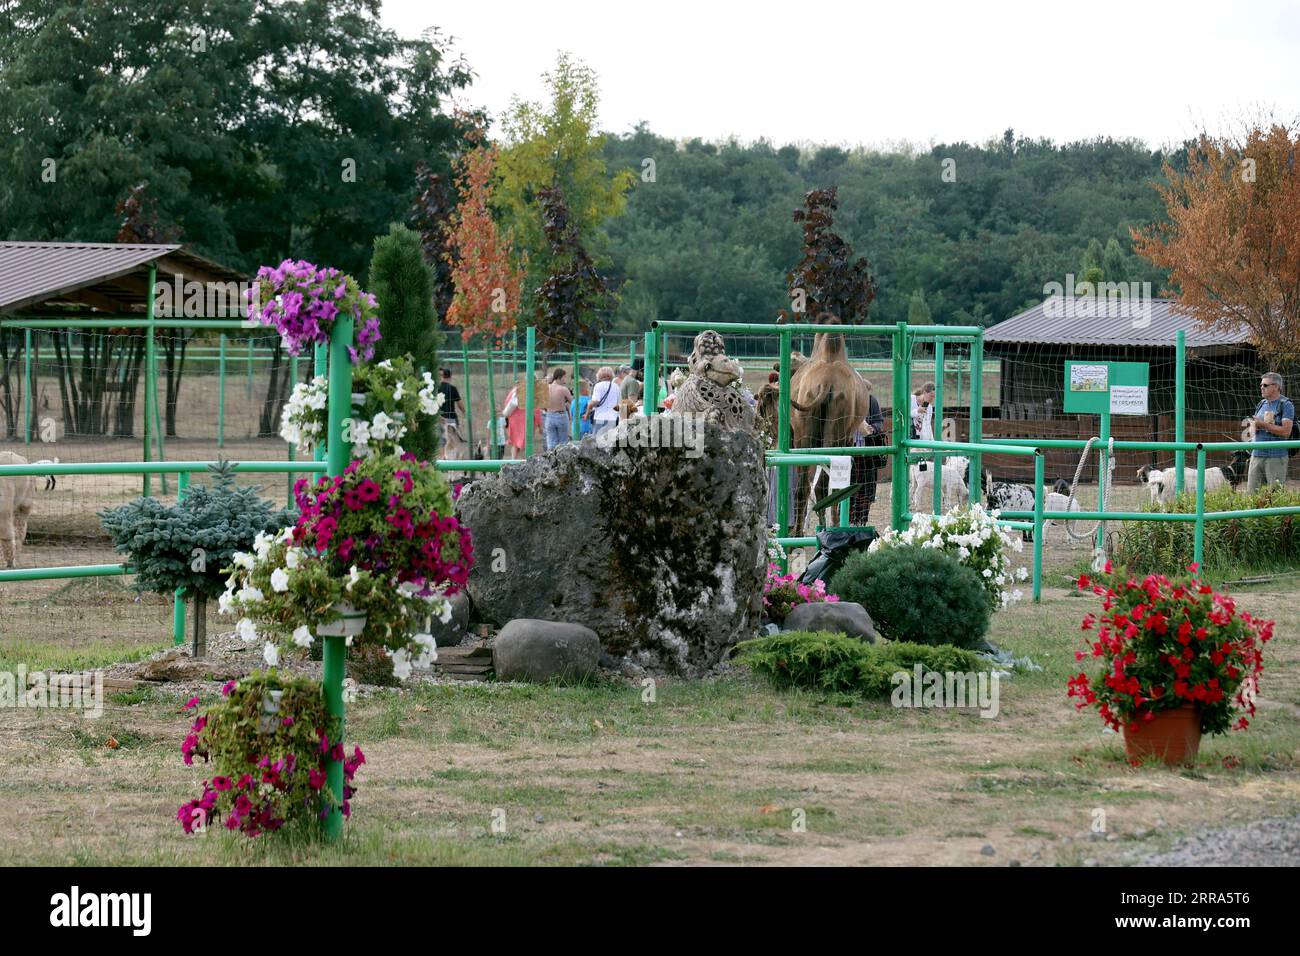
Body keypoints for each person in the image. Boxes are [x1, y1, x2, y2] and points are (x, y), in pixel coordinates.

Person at [1247, 372, 1295, 492]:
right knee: (1252, 495)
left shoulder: (1286, 405)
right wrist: (1254, 426)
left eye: (1265, 385)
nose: (1262, 387)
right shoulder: (1261, 404)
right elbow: (1254, 429)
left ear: (1277, 387)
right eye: (1261, 385)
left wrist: (1263, 424)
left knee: (1274, 494)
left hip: (1276, 457)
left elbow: (1286, 431)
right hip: (1257, 455)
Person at [850, 386, 886, 525]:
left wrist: (873, 428)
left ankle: (862, 520)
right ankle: (849, 520)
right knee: (850, 486)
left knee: (867, 489)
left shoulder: (872, 402)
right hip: (850, 451)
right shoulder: (848, 403)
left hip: (867, 452)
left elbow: (879, 422)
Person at [501, 378, 543, 460]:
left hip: (514, 419)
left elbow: (507, 402)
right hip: (526, 420)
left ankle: (513, 461)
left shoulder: (515, 389)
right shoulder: (533, 392)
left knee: (515, 443)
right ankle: (525, 461)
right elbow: (536, 410)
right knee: (526, 443)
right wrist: (540, 425)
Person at [438, 368, 467, 460]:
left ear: (442, 376)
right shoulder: (453, 389)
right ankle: (454, 458)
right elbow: (460, 405)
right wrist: (465, 413)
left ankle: (443, 457)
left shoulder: (437, 388)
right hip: (451, 418)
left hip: (440, 418)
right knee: (453, 438)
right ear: (450, 377)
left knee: (442, 439)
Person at [585, 366, 621, 437]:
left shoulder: (598, 386)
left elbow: (595, 402)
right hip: (612, 417)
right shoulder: (616, 387)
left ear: (599, 375)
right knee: (610, 440)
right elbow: (619, 403)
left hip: (600, 417)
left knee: (597, 439)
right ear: (611, 376)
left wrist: (587, 414)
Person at [543, 368, 573, 450]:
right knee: (563, 443)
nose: (565, 379)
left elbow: (542, 404)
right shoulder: (563, 389)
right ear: (560, 377)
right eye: (564, 377)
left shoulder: (546, 388)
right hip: (561, 416)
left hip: (549, 416)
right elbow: (572, 402)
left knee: (551, 442)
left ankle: (551, 460)